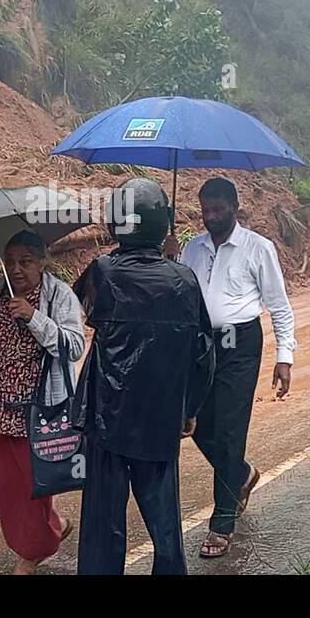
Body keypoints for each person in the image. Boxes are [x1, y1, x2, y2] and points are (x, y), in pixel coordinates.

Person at [72, 177, 215, 575]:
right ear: (163, 222)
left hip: (108, 418)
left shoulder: (103, 271)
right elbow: (204, 354)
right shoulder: (183, 280)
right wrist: (189, 409)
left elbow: (83, 309)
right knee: (165, 526)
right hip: (160, 418)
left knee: (104, 527)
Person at [178, 177, 296, 559]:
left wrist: (285, 356)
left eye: (218, 209)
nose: (211, 217)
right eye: (205, 210)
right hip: (201, 344)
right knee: (195, 423)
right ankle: (242, 474)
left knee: (229, 430)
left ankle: (222, 522)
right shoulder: (190, 249)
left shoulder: (257, 248)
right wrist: (169, 262)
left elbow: (278, 304)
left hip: (240, 345)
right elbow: (180, 296)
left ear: (235, 207)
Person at [0, 230, 85, 574]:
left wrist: (33, 317)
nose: (16, 269)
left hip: (36, 410)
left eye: (25, 261)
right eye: (10, 261)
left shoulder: (59, 296)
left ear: (42, 261)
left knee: (28, 486)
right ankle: (55, 523)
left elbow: (73, 346)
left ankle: (35, 550)